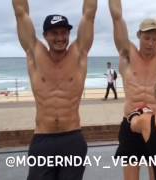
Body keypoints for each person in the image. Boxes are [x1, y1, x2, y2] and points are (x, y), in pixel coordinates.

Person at [12, 0, 97, 179]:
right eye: (54, 33)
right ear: (45, 35)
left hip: (73, 139)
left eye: (64, 32)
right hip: (43, 139)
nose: (60, 37)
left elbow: (89, 13)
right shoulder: (34, 53)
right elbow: (20, 12)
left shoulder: (79, 53)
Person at [108, 0, 156, 179]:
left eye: (155, 38)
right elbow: (117, 17)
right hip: (131, 127)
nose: (151, 43)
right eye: (147, 38)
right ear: (139, 35)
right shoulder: (127, 54)